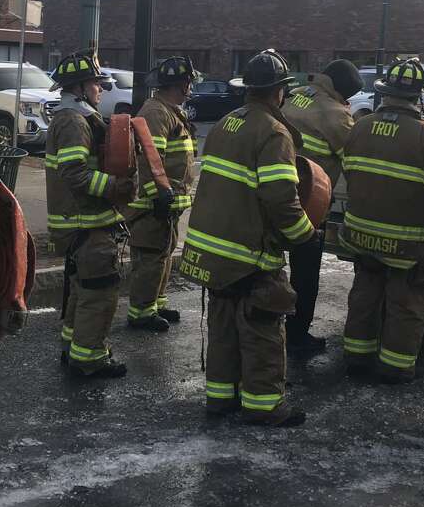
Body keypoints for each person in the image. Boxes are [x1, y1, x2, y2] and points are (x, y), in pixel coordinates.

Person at [180, 50, 315, 427]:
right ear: (279, 93)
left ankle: (221, 399)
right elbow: (280, 199)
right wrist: (304, 235)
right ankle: (263, 405)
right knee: (262, 328)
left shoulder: (226, 123)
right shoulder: (274, 133)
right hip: (249, 251)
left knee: (223, 325)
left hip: (214, 249)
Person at [340, 58, 424, 382]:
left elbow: (350, 173)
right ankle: (395, 368)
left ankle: (356, 358)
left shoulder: (360, 127)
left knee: (365, 297)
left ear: (384, 93)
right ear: (419, 97)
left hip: (361, 234)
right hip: (407, 243)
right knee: (406, 305)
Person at [46, 51, 136, 377]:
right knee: (98, 292)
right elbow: (75, 174)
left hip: (81, 224)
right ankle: (90, 359)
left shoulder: (76, 116)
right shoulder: (73, 121)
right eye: (97, 83)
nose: (101, 89)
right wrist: (116, 187)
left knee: (82, 290)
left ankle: (74, 350)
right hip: (85, 224)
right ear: (81, 86)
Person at [280, 59, 360, 354]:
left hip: (276, 192)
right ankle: (298, 334)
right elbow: (355, 158)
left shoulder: (299, 93)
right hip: (309, 201)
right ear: (342, 92)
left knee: (269, 266)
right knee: (305, 270)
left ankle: (267, 323)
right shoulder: (336, 114)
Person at [124, 56, 201, 332]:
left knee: (163, 254)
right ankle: (141, 313)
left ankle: (156, 304)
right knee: (150, 256)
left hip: (168, 203)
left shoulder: (169, 110)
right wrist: (158, 195)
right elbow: (149, 157)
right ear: (182, 85)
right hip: (153, 204)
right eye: (189, 83)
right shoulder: (156, 113)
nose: (190, 89)